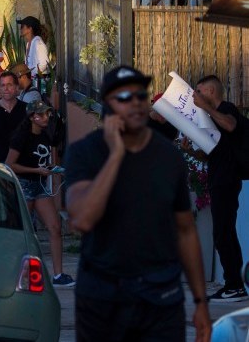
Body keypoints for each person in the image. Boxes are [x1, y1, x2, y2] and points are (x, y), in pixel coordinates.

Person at [64, 65, 211, 341]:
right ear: (107, 105)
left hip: (160, 298)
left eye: (140, 95)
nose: (134, 102)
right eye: (124, 97)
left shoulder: (168, 158)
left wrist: (201, 301)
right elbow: (83, 219)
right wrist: (116, 155)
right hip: (103, 300)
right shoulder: (85, 152)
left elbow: (186, 231)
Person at [6, 100, 73, 287]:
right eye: (42, 114)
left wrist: (53, 169)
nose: (46, 117)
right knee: (24, 231)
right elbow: (9, 164)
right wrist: (37, 171)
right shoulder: (21, 136)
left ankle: (58, 275)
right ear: (32, 117)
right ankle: (17, 274)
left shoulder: (44, 135)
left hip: (40, 185)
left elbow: (42, 161)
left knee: (55, 227)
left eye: (47, 114)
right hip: (24, 185)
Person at [194, 74, 247, 300]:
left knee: (222, 233)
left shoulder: (226, 109)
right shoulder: (212, 118)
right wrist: (190, 150)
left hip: (227, 180)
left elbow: (231, 124)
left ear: (211, 91)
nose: (196, 95)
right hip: (219, 179)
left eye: (199, 90)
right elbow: (213, 154)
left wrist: (205, 107)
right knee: (226, 233)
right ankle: (235, 284)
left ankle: (234, 285)